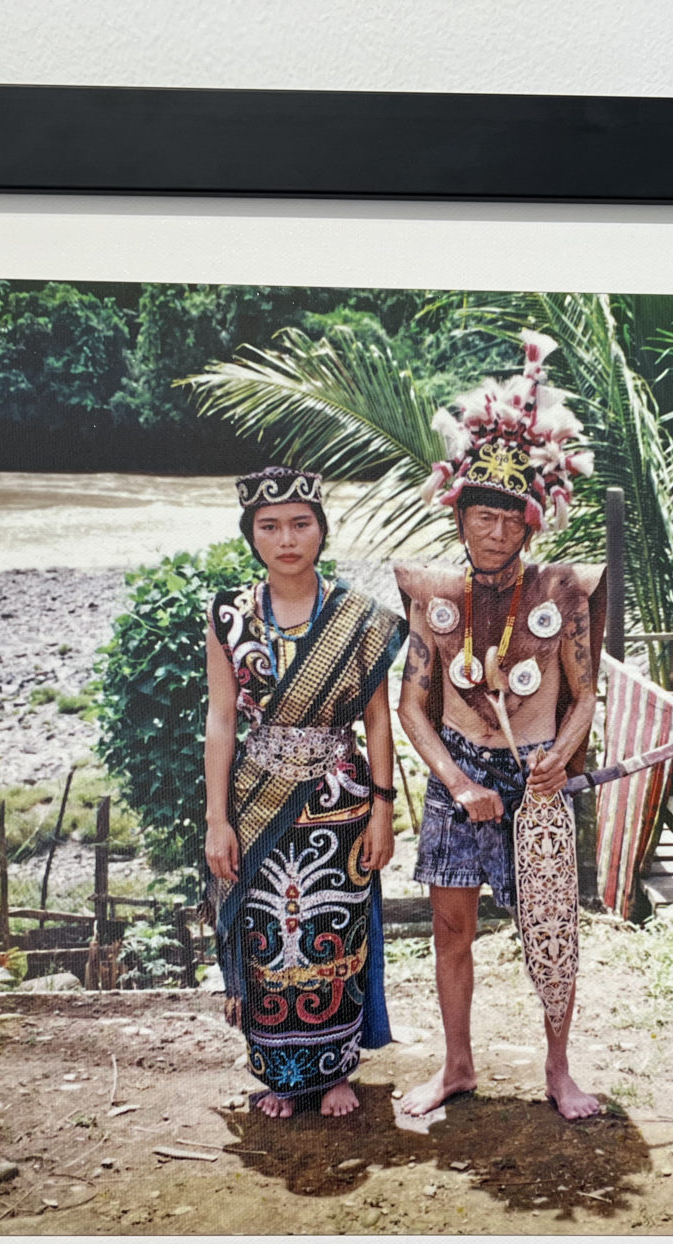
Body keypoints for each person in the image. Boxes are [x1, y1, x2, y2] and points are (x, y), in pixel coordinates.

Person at [394, 331, 607, 1121]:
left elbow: (586, 693)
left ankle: (557, 1069)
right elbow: (411, 705)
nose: (493, 531)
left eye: (507, 519)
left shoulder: (561, 593)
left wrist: (560, 752)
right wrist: (455, 781)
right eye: (480, 516)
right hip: (459, 773)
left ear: (529, 525)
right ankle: (457, 1067)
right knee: (451, 930)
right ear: (461, 520)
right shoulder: (440, 598)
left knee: (550, 928)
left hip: (538, 778)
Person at [204, 467, 406, 1117]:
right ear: (251, 536)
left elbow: (378, 719)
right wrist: (216, 820)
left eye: (300, 523)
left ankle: (336, 1069)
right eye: (269, 526)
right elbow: (220, 720)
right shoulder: (229, 616)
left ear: (321, 531)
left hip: (339, 802)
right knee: (267, 937)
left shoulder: (359, 617)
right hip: (255, 801)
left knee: (336, 932)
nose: (286, 539)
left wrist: (384, 809)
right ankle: (280, 1074)